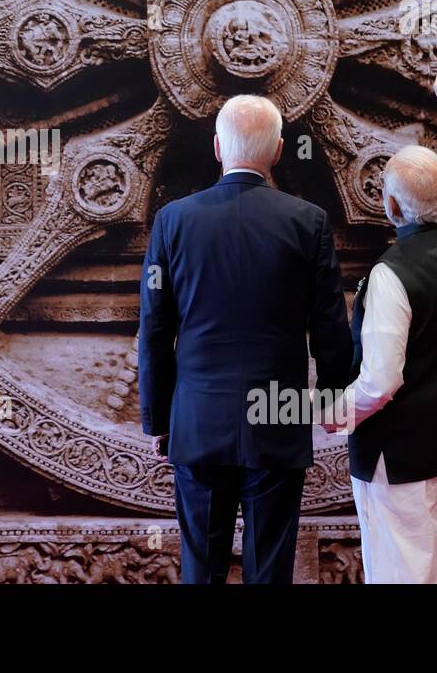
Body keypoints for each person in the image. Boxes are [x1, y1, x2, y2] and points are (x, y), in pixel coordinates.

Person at [139, 94, 353, 583]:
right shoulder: (309, 222)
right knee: (271, 568)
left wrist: (158, 416)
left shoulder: (174, 220)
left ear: (217, 147)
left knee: (201, 566)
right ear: (278, 151)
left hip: (197, 419)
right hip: (278, 419)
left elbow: (154, 327)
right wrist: (332, 402)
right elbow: (329, 327)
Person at [321, 39, 437, 583]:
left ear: (391, 207)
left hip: (399, 460)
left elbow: (379, 383)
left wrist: (331, 415)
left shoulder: (389, 276)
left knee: (401, 573)